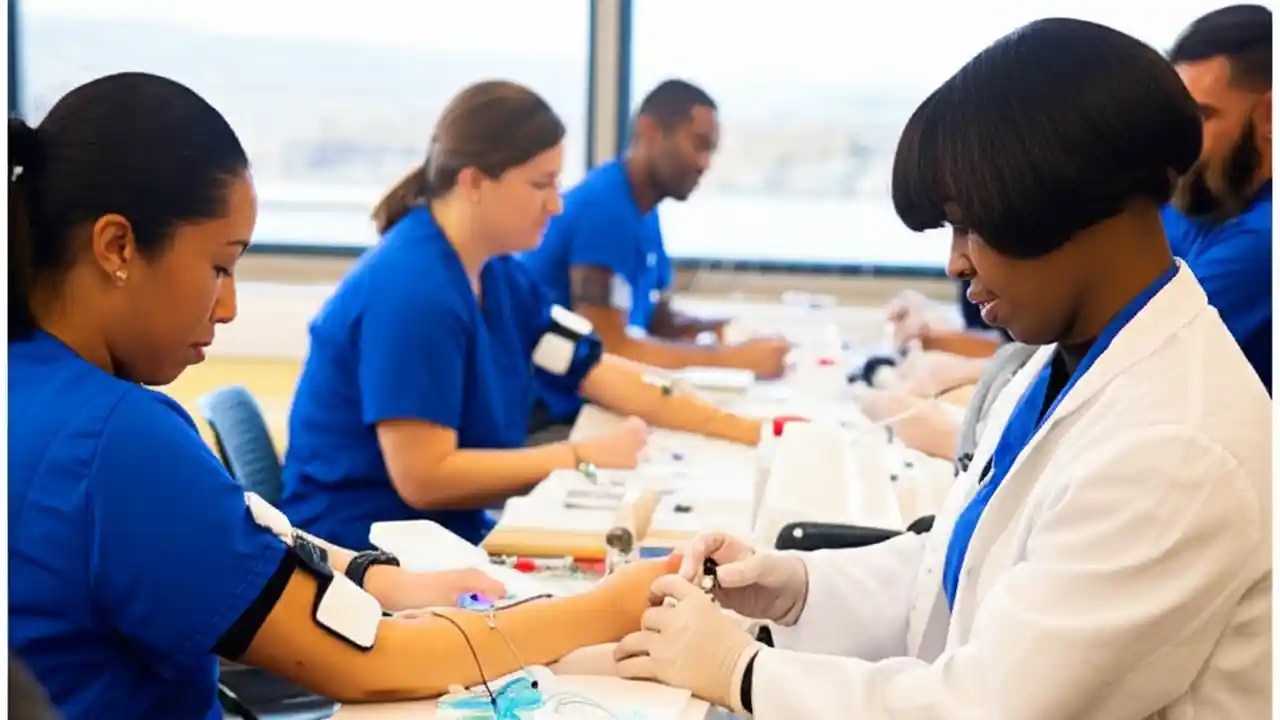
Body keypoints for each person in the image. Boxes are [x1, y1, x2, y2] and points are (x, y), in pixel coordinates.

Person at [610, 19, 1272, 717]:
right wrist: (793, 583)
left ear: (1067, 200)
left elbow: (990, 706)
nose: (955, 262)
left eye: (969, 224)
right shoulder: (1061, 364)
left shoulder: (1177, 445)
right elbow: (957, 572)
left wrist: (740, 670)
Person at [8, 72, 683, 720]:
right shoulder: (118, 440)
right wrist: (607, 607)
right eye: (220, 266)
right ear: (117, 246)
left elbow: (239, 524)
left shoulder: (39, 394)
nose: (230, 308)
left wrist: (374, 576)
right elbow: (365, 659)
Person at [280, 80, 766, 551]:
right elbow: (423, 478)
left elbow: (596, 369)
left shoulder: (498, 277)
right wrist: (579, 458)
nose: (556, 205)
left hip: (440, 535)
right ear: (473, 182)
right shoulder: (415, 293)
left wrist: (748, 432)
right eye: (541, 184)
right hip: (365, 549)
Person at [520, 79, 791, 428]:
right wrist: (736, 359)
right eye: (698, 145)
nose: (704, 163)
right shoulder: (605, 208)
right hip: (557, 416)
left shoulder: (644, 210)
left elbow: (653, 317)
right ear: (649, 131)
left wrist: (718, 328)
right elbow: (611, 347)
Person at [1164, 3, 1272, 392]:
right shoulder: (1196, 197)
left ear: (1270, 116)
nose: (1179, 139)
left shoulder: (1265, 241)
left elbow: (1135, 361)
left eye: (1203, 117)